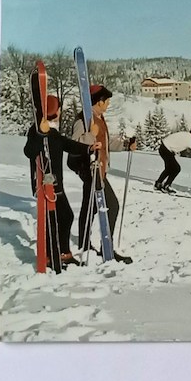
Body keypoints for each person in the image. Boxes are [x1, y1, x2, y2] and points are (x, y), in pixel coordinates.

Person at [24, 95, 102, 266]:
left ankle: (56, 253)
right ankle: (57, 254)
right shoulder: (38, 131)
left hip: (54, 183)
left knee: (60, 217)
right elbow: (29, 152)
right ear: (54, 111)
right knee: (62, 217)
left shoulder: (52, 133)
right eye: (58, 108)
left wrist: (88, 148)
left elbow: (68, 144)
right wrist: (39, 133)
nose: (60, 112)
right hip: (46, 184)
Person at [72, 85, 136, 264]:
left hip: (98, 169)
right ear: (98, 102)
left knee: (90, 206)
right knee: (112, 206)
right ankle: (105, 247)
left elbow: (105, 144)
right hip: (91, 170)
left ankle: (85, 245)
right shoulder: (84, 120)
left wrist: (124, 146)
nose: (108, 104)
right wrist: (91, 135)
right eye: (106, 101)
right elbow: (75, 145)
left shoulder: (99, 118)